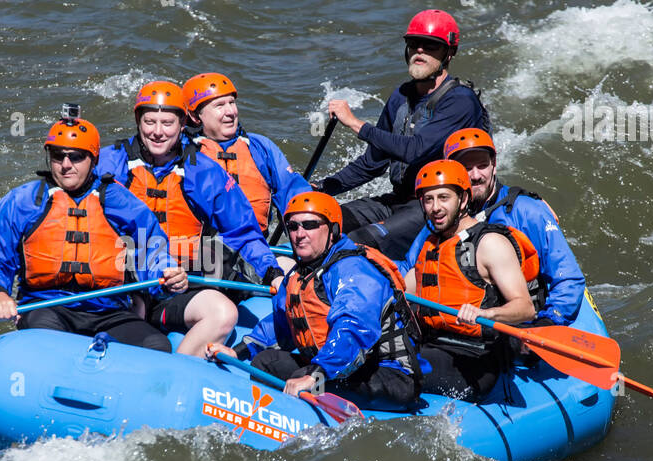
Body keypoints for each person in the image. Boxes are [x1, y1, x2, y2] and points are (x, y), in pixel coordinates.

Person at [0, 109, 188, 351]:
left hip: (108, 311)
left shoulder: (118, 200)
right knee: (45, 341)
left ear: (93, 159)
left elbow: (152, 249)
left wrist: (166, 276)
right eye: (58, 156)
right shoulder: (24, 201)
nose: (66, 165)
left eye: (76, 157)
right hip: (47, 308)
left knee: (157, 346)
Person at [96, 81, 284, 357]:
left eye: (167, 123)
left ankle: (177, 375)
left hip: (178, 285)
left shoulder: (203, 171)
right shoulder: (110, 163)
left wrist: (272, 272)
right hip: (124, 282)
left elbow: (243, 232)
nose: (158, 132)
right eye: (150, 122)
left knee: (222, 313)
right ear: (138, 120)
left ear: (183, 123)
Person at [212, 192, 423, 404]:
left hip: (389, 375)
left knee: (304, 380)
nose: (299, 234)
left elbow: (353, 329)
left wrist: (314, 376)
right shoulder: (301, 273)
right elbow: (281, 324)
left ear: (333, 231)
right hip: (332, 368)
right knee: (265, 363)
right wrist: (237, 351)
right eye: (293, 227)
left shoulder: (355, 270)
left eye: (310, 225)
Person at [316, 10, 491, 259]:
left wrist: (356, 124)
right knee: (322, 222)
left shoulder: (460, 101)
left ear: (448, 53)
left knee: (359, 241)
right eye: (413, 44)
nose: (419, 51)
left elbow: (414, 149)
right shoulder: (400, 96)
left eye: (430, 46)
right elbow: (372, 163)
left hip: (436, 207)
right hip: (398, 201)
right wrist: (321, 188)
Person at [399, 160, 537, 400]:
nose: (435, 207)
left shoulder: (489, 243)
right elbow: (403, 288)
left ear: (463, 200)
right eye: (428, 199)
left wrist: (487, 314)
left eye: (444, 197)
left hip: (475, 360)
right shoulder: (433, 244)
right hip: (433, 346)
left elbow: (525, 308)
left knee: (389, 369)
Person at [442, 128, 585, 326]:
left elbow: (567, 276)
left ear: (494, 165)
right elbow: (413, 263)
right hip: (467, 322)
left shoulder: (527, 211)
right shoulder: (443, 215)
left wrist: (549, 321)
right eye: (467, 168)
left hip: (523, 321)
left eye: (482, 165)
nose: (475, 176)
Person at [181, 72, 312, 241]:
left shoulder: (260, 147)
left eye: (232, 103)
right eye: (219, 105)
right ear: (194, 116)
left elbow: (295, 195)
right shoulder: (180, 152)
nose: (230, 112)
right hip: (198, 254)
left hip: (255, 251)